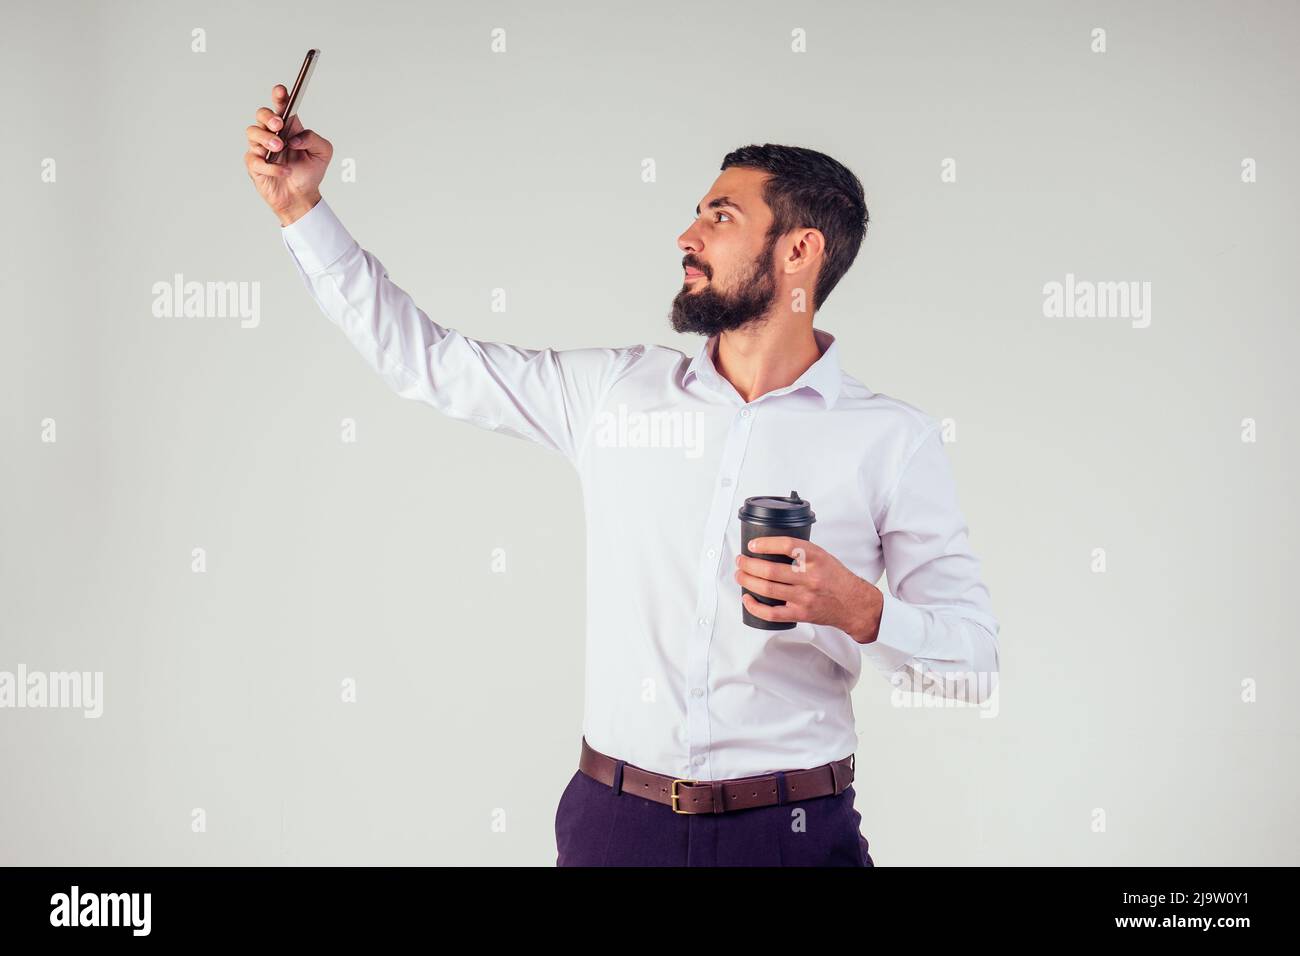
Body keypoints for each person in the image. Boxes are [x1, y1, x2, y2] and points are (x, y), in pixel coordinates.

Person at [244, 83, 999, 867]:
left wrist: (864, 611)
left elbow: (972, 670)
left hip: (794, 837)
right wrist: (303, 211)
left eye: (720, 217)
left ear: (799, 251)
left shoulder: (892, 440)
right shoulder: (616, 394)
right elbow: (429, 361)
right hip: (617, 828)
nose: (687, 234)